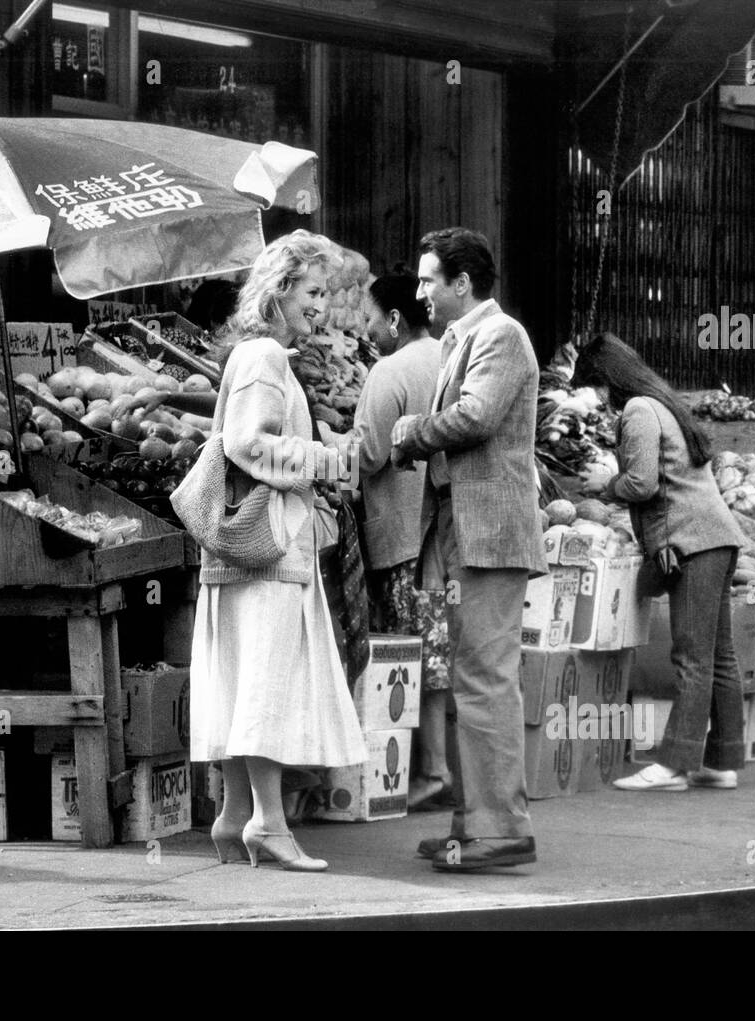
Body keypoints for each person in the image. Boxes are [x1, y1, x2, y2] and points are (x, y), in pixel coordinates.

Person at [188, 230, 367, 872]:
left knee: (242, 682)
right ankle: (269, 822)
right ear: (281, 289)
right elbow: (246, 443)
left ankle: (234, 815)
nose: (321, 306)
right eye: (313, 291)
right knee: (266, 685)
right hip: (267, 551)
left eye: (325, 293)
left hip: (245, 552)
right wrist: (327, 457)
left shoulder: (255, 353)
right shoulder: (266, 354)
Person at [390, 228, 546, 872]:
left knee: (484, 681)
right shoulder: (466, 338)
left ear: (463, 284)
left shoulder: (500, 335)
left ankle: (501, 828)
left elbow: (478, 417)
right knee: (468, 682)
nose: (420, 291)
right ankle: (471, 823)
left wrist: (410, 430)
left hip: (490, 533)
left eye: (429, 280)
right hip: (466, 529)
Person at [571, 333, 749, 792]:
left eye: (593, 388)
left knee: (691, 657)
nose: (597, 401)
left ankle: (673, 765)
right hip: (716, 539)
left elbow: (643, 483)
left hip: (691, 544)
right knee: (718, 657)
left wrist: (605, 483)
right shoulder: (663, 403)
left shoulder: (639, 411)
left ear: (607, 380)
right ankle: (722, 762)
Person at [352, 274, 452, 809]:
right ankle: (434, 770)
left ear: (393, 319)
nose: (365, 330)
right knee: (433, 653)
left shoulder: (388, 371)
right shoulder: (450, 355)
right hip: (441, 531)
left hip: (400, 533)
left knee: (405, 654)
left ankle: (419, 773)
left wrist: (325, 438)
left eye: (370, 318)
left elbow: (367, 455)